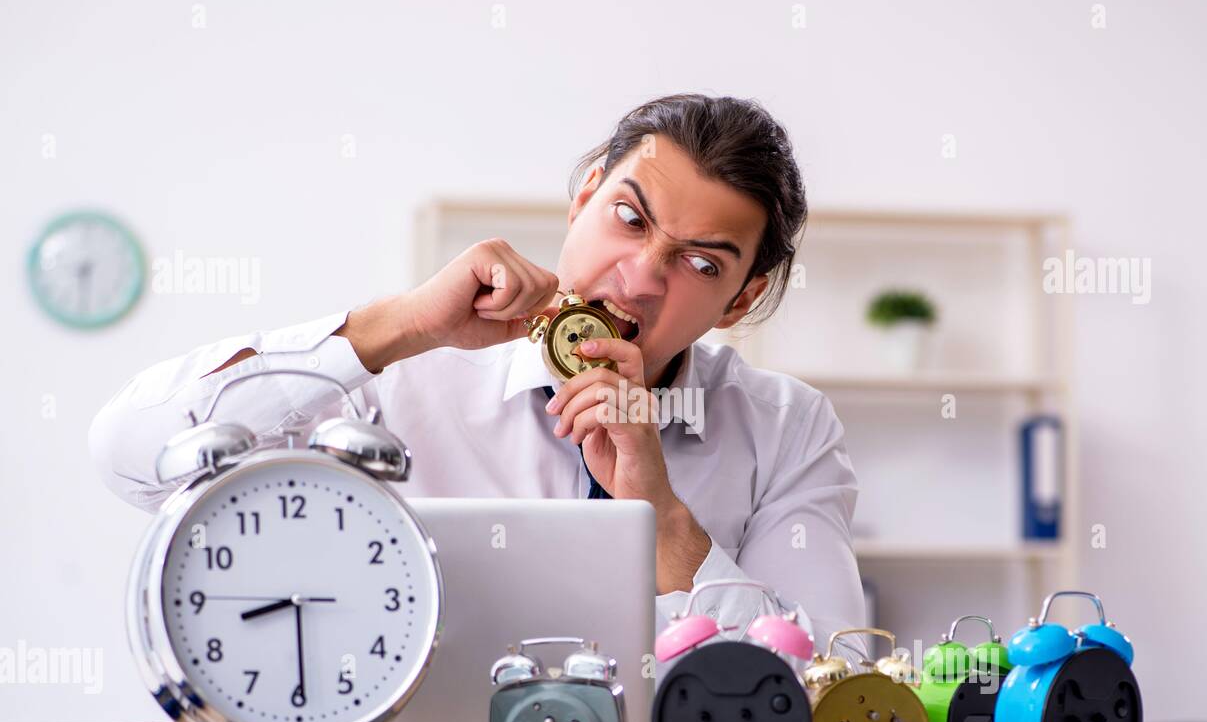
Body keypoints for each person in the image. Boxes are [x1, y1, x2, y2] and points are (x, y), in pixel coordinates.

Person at [88, 92, 866, 657]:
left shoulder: (786, 429)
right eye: (630, 219)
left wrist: (664, 520)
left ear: (742, 299)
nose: (639, 278)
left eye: (700, 262)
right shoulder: (402, 373)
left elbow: (840, 709)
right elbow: (132, 456)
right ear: (585, 194)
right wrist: (395, 328)